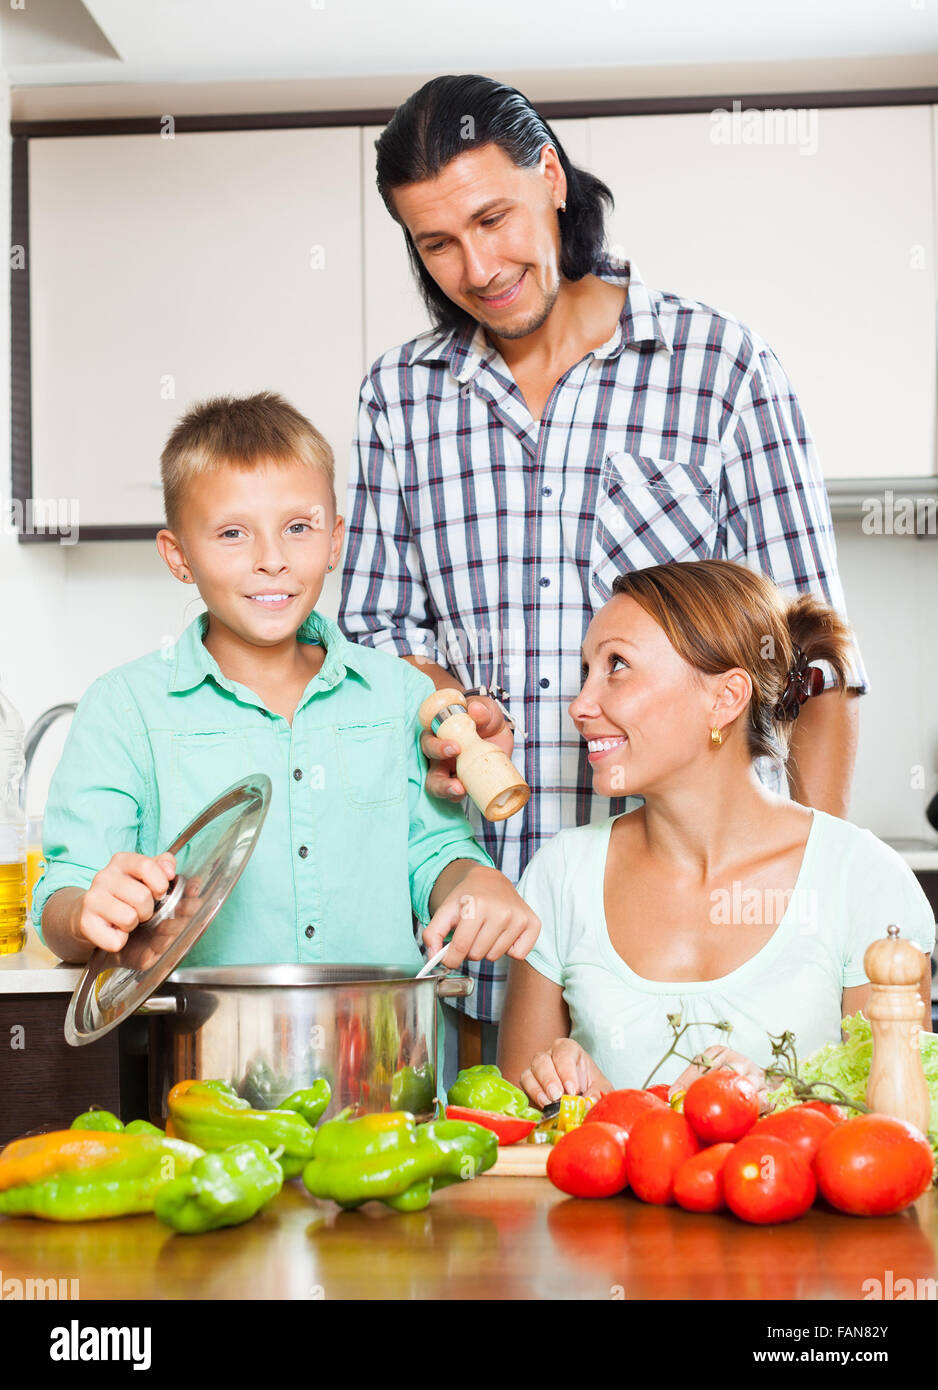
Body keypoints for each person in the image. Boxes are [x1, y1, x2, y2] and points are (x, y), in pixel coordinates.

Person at [339, 73, 868, 1070]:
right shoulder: (397, 399)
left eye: (492, 218)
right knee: (504, 1211)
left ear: (550, 176)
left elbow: (810, 659)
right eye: (435, 243)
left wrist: (812, 898)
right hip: (486, 932)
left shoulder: (719, 368)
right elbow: (372, 643)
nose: (478, 266)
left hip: (712, 940)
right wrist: (442, 707)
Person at [32, 392, 539, 985]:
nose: (271, 560)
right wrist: (88, 910)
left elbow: (433, 855)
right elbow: (62, 898)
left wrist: (476, 881)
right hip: (199, 1061)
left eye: (298, 527)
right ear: (179, 556)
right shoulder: (123, 709)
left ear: (334, 542)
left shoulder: (400, 693)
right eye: (231, 534)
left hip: (383, 1056)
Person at [495, 560, 933, 1109]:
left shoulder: (864, 882)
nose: (580, 706)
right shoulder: (559, 876)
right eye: (587, 670)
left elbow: (901, 1135)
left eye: (617, 666)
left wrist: (775, 1102)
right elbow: (511, 1124)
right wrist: (561, 1091)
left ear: (725, 699)